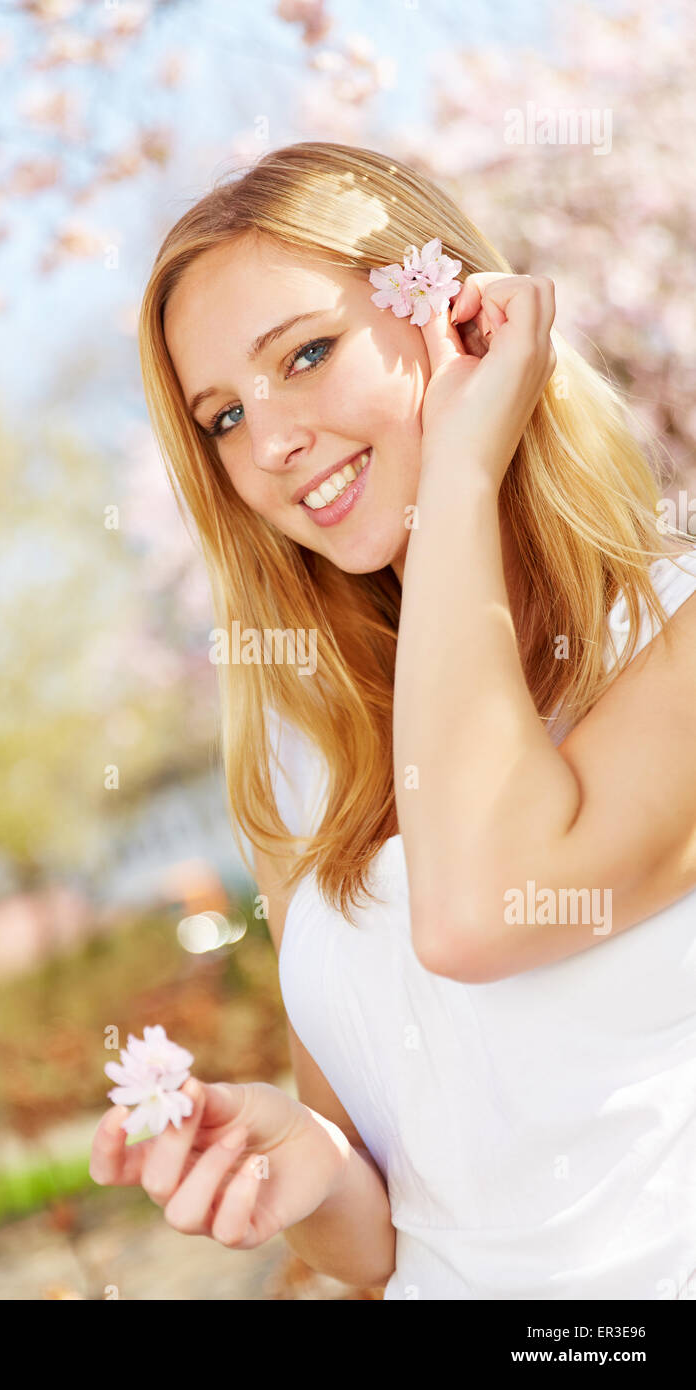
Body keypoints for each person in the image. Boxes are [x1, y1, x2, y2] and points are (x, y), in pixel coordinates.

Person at [90, 141, 696, 1300]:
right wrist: (305, 1166)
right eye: (221, 417)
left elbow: (477, 912)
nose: (268, 446)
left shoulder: (673, 642)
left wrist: (462, 474)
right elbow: (392, 1238)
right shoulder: (296, 754)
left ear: (454, 316)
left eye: (305, 354)